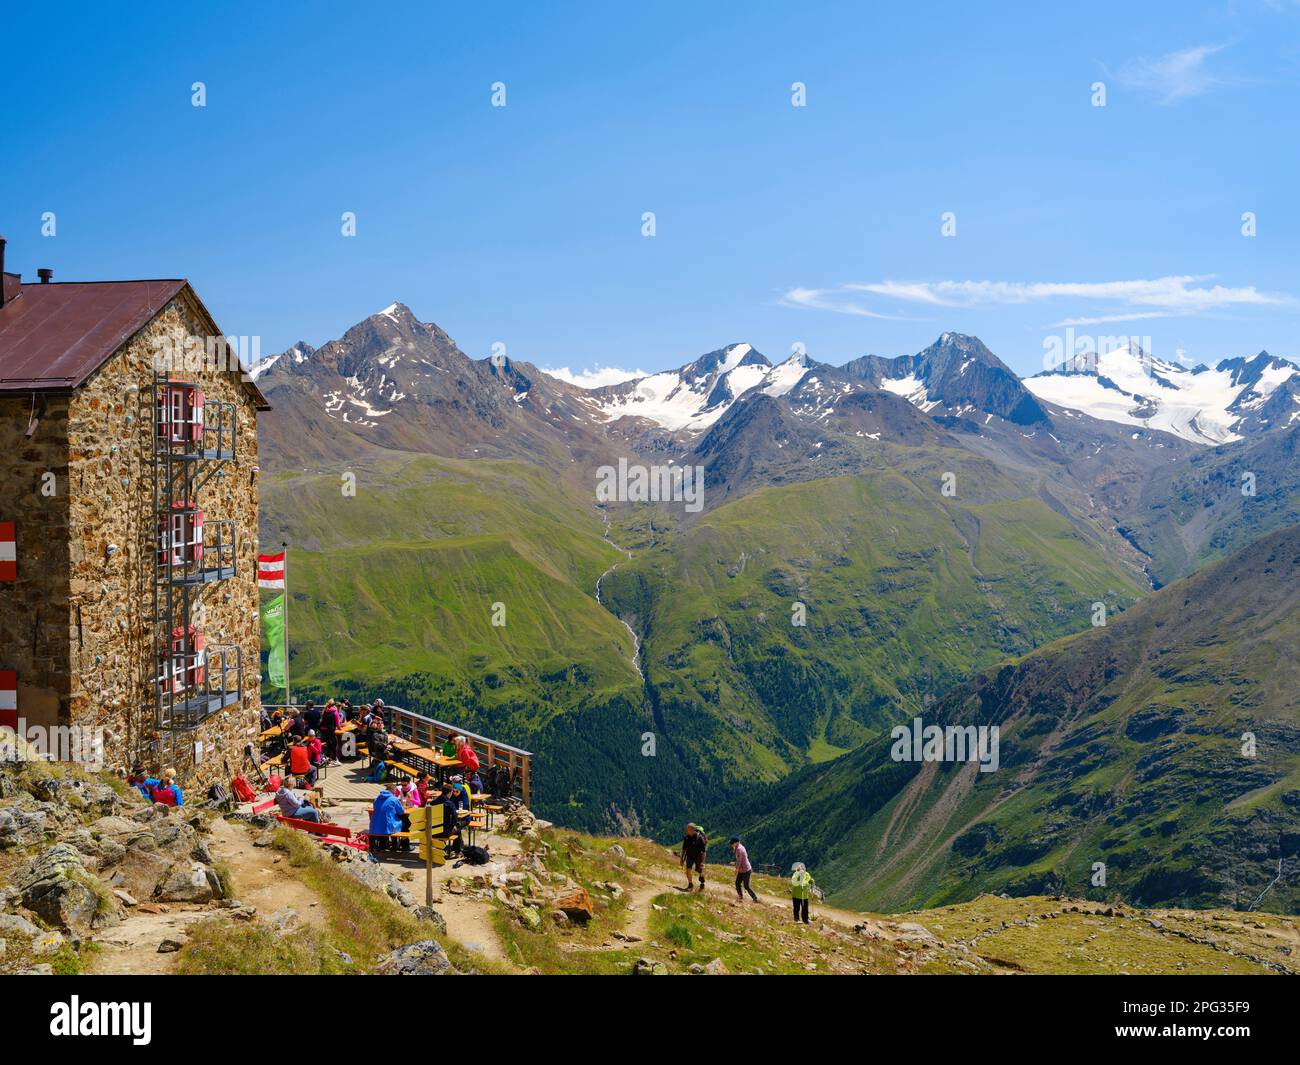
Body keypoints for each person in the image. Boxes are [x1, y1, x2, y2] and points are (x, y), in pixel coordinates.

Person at [368, 784, 405, 852]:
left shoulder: (377, 798)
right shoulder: (394, 799)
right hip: (387, 826)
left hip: (375, 825)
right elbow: (401, 812)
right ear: (394, 790)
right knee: (400, 822)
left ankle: (383, 845)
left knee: (385, 820)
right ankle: (396, 845)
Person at [680, 823, 707, 892]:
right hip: (689, 856)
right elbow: (683, 849)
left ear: (692, 829)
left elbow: (703, 851)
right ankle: (690, 884)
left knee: (700, 870)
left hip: (698, 857)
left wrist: (703, 862)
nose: (686, 830)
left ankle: (702, 883)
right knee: (688, 869)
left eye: (687, 828)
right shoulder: (687, 837)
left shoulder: (700, 838)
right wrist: (681, 859)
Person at [730, 836, 758, 902]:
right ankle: (740, 896)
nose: (731, 844)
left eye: (732, 843)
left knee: (746, 886)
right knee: (737, 883)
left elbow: (739, 861)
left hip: (745, 870)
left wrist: (736, 869)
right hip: (742, 869)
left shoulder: (739, 849)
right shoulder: (739, 847)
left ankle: (755, 898)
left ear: (736, 842)